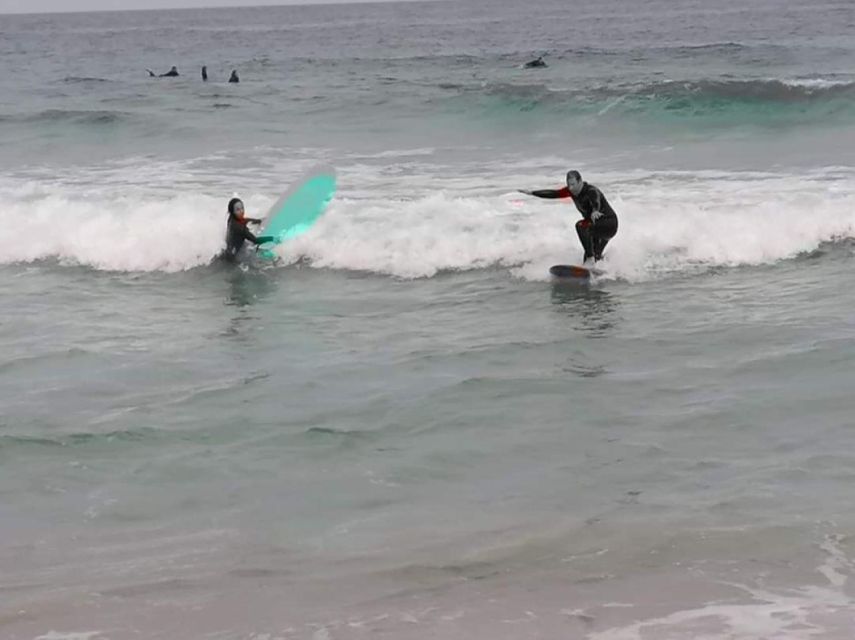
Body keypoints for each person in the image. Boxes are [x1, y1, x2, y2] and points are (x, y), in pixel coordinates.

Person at [520, 170, 618, 263]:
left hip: (608, 223)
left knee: (581, 226)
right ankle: (605, 266)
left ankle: (590, 258)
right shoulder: (570, 191)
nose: (570, 188)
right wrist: (532, 193)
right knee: (593, 258)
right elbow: (554, 194)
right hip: (595, 227)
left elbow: (595, 200)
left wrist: (595, 211)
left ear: (580, 181)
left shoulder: (591, 191)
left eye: (573, 184)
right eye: (568, 184)